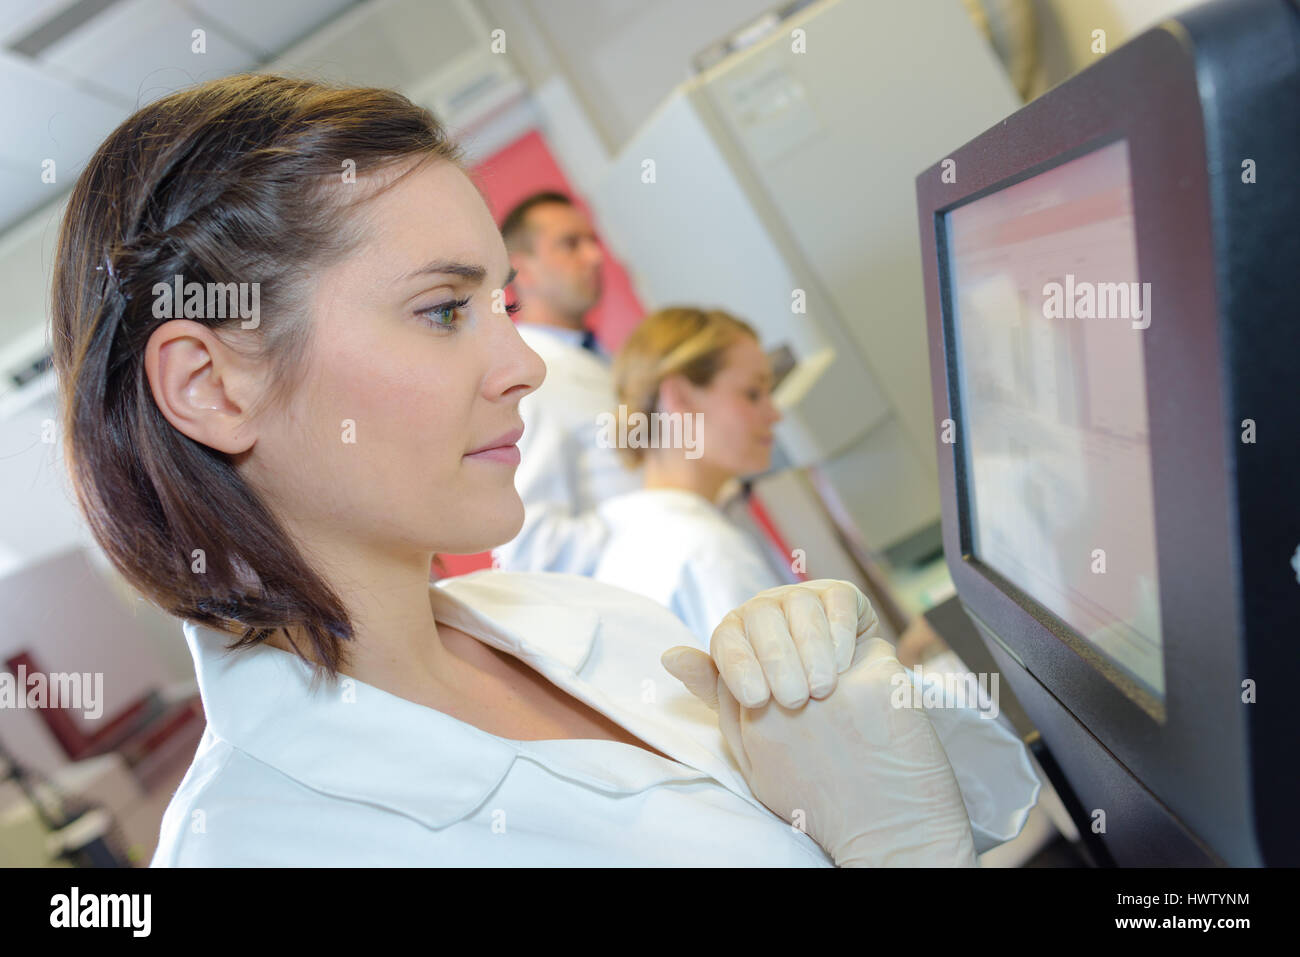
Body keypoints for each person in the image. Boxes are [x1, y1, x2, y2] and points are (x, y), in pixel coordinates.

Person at [50, 74, 1034, 866]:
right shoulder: (270, 845)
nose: (522, 367)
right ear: (213, 386)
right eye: (442, 310)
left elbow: (984, 800)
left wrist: (878, 719)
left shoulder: (572, 617)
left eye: (503, 305)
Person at [593, 307, 790, 646]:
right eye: (752, 394)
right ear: (680, 397)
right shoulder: (706, 551)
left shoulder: (631, 546)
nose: (774, 414)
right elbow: (789, 692)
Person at [489, 192, 641, 575]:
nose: (594, 256)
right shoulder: (530, 381)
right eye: (571, 244)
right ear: (522, 270)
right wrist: (656, 523)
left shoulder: (599, 359)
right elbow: (531, 546)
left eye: (593, 241)